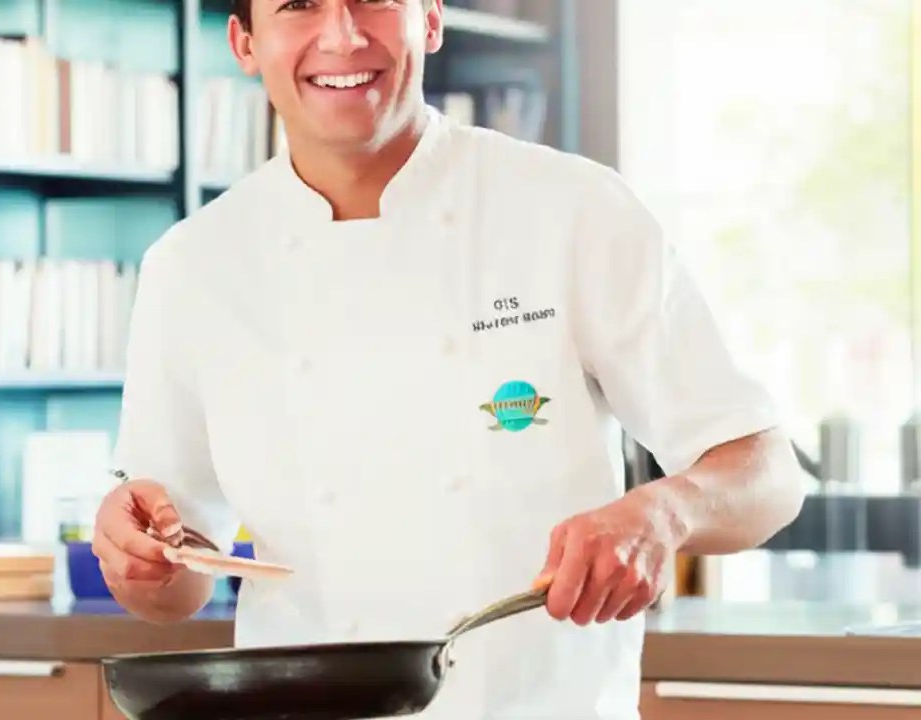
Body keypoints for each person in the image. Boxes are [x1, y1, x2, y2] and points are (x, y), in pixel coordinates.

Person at [91, 0, 806, 717]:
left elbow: (768, 475)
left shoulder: (572, 209)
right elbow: (174, 583)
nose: (342, 34)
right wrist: (137, 558)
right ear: (245, 42)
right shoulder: (192, 267)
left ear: (429, 20)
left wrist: (664, 516)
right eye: (299, 5)